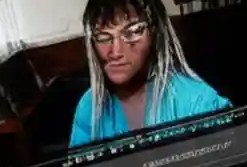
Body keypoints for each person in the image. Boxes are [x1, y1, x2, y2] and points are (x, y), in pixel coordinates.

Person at [70, 0, 231, 148]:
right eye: (103, 37)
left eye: (132, 32)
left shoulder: (198, 102)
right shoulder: (89, 107)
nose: (116, 52)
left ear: (154, 33)